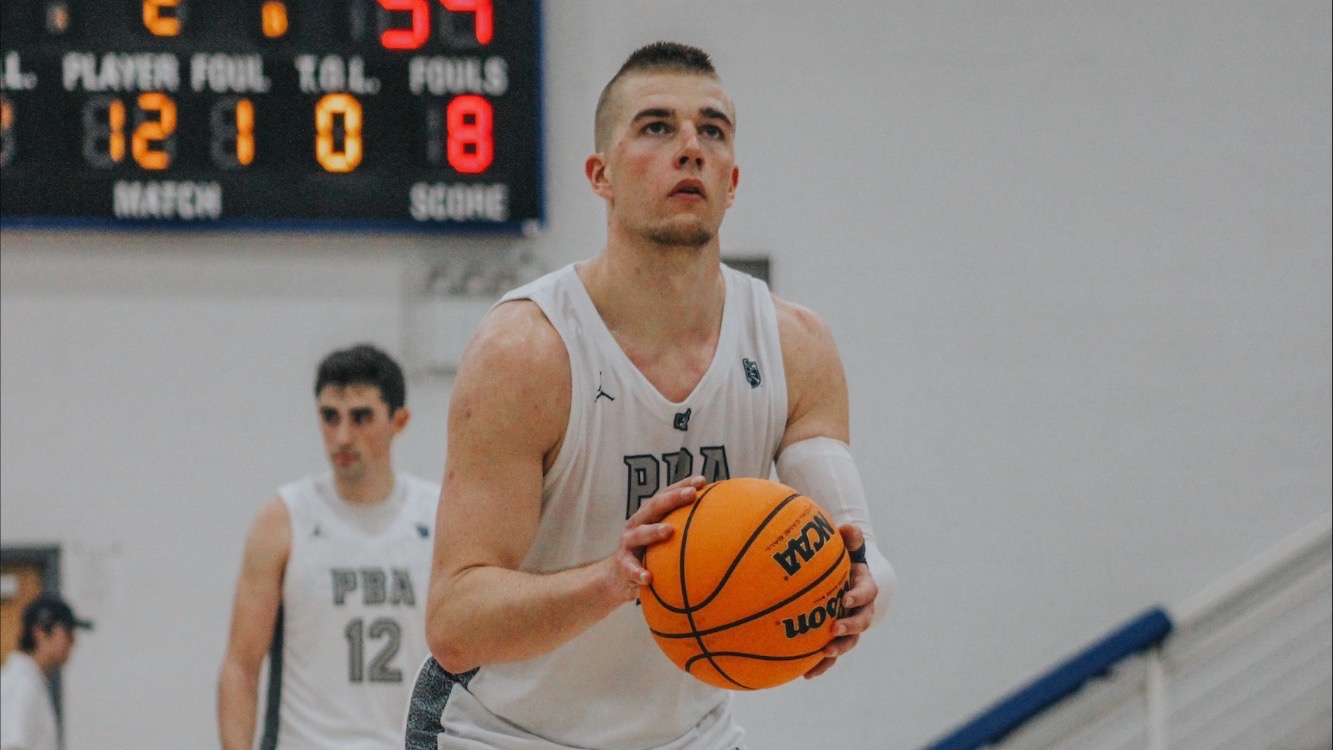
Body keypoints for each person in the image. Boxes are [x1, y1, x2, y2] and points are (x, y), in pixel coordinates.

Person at [406, 41, 897, 750]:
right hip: (503, 735)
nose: (690, 147)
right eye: (657, 126)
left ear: (733, 181)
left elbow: (866, 557)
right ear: (599, 174)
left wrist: (857, 599)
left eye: (713, 130)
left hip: (689, 736)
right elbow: (455, 624)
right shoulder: (528, 351)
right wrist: (614, 578)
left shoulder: (795, 346)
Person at [218, 344, 440, 750]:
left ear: (400, 420)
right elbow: (240, 666)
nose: (342, 436)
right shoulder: (284, 518)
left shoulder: (437, 516)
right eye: (329, 417)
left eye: (361, 418)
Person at [0, 595, 92, 750]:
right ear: (41, 633)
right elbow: (12, 746)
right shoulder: (20, 684)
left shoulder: (31, 681)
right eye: (67, 634)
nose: (72, 643)